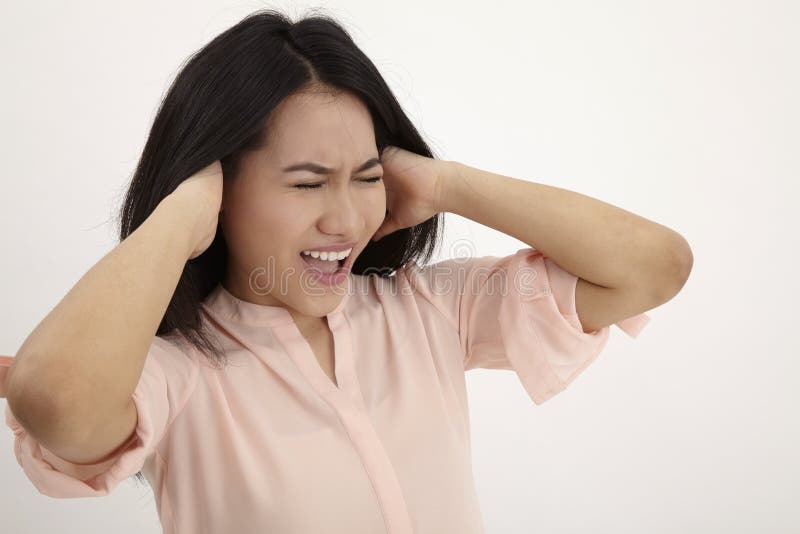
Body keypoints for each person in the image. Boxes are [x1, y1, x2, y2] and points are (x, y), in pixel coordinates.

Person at [0, 8, 691, 534]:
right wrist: (179, 219)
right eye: (306, 184)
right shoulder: (181, 374)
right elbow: (57, 403)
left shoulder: (430, 310)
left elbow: (653, 267)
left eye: (365, 177)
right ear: (217, 190)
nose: (345, 219)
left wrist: (447, 183)